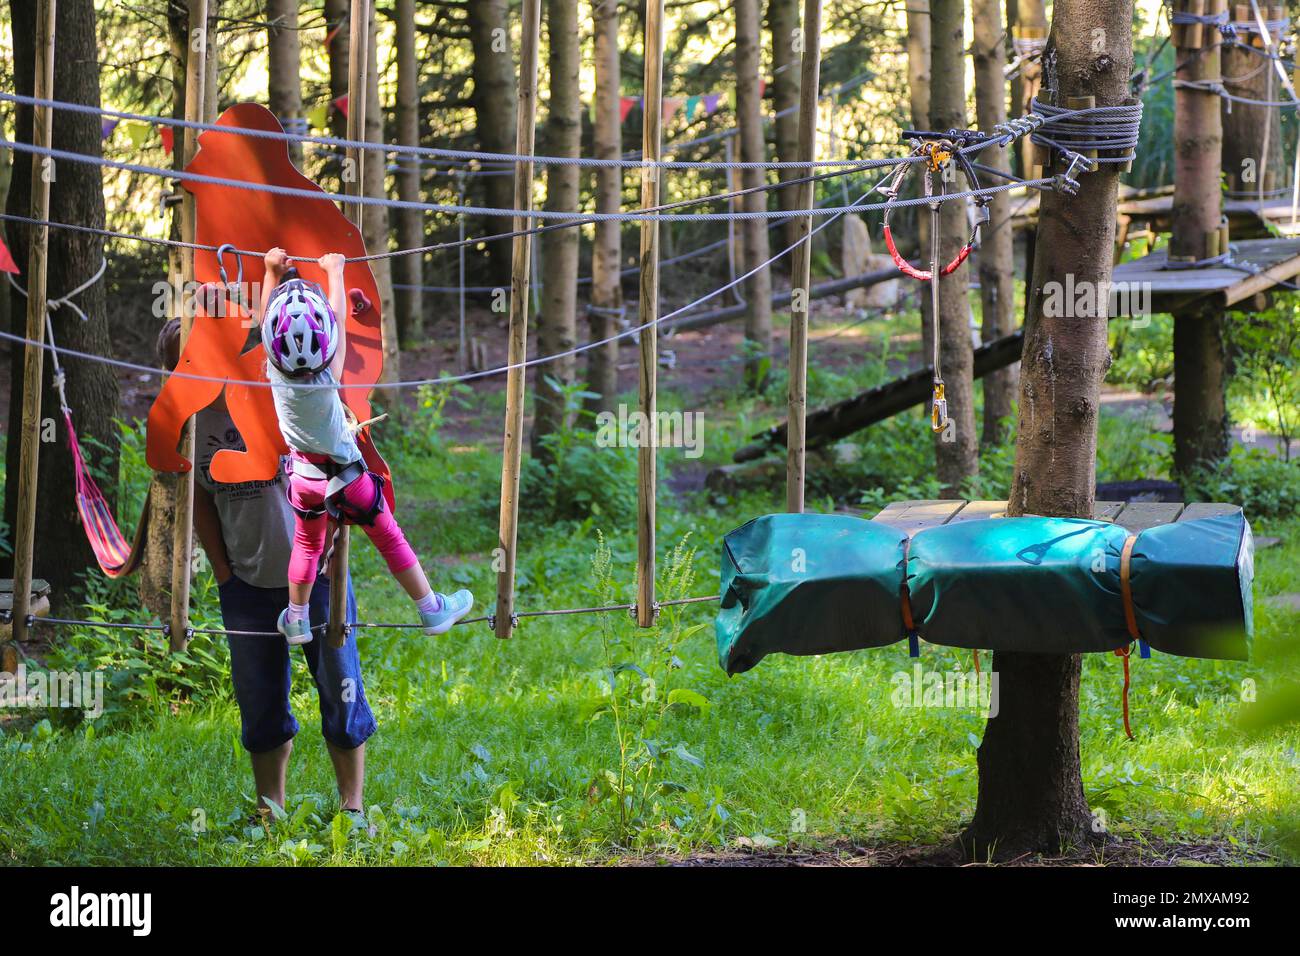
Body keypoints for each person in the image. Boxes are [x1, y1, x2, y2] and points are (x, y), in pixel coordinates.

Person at [157, 319, 374, 816]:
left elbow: (340, 466)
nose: (190, 371)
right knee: (259, 700)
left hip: (317, 581)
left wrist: (336, 546)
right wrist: (225, 574)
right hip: (248, 589)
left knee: (341, 690)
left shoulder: (281, 398)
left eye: (198, 355)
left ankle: (353, 809)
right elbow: (202, 505)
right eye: (179, 365)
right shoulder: (193, 430)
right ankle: (269, 809)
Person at [258, 249, 473, 644]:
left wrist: (270, 273)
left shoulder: (273, 372)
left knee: (307, 545)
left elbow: (262, 325)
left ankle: (297, 619)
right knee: (389, 537)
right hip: (347, 477)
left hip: (304, 479)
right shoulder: (328, 374)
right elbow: (338, 317)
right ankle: (431, 609)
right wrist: (335, 273)